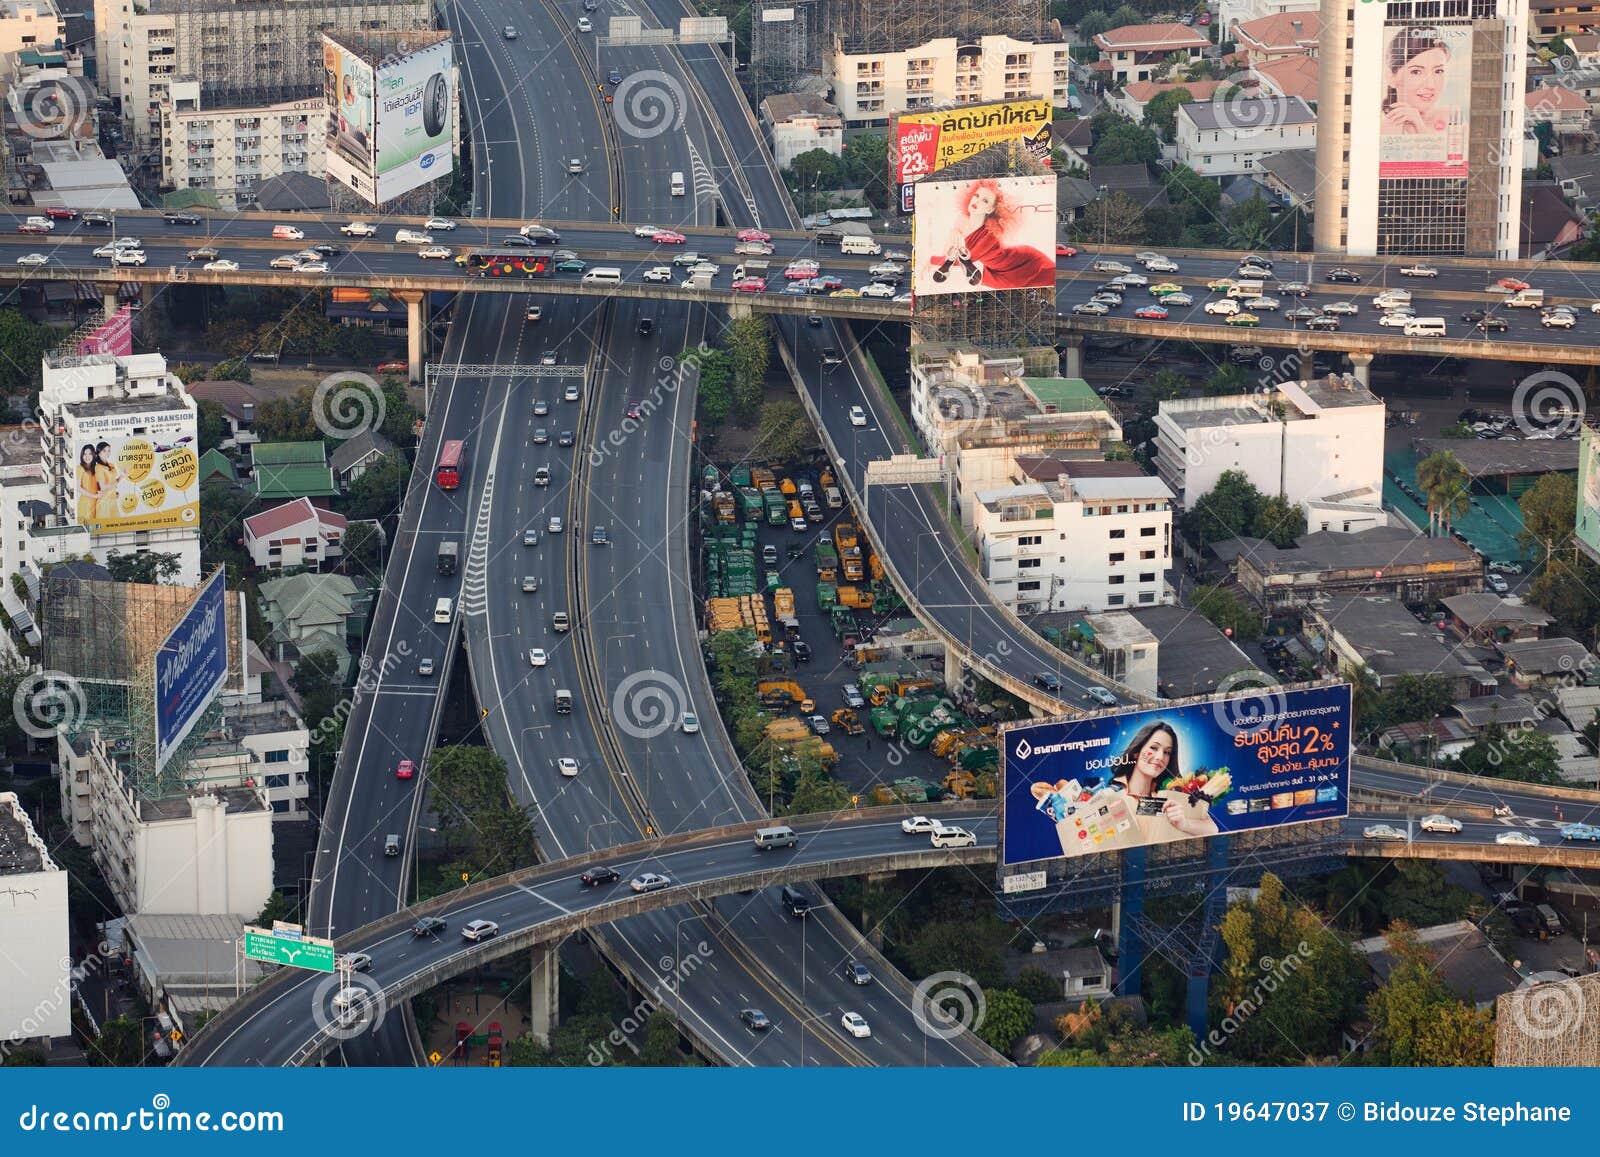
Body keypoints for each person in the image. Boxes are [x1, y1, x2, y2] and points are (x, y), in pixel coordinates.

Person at [928, 178, 1054, 292]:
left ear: (990, 209)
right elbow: (948, 257)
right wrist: (954, 232)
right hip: (995, 268)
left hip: (1023, 262)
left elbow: (955, 261)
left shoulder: (989, 236)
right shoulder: (960, 220)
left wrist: (929, 261)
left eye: (985, 200)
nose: (977, 200)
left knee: (1038, 279)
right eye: (976, 195)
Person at [1383, 27, 1451, 136]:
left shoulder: (1451, 118)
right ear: (1391, 78)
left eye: (1438, 71)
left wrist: (1420, 127)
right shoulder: (1382, 128)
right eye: (1416, 72)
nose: (1431, 85)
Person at [75, 444, 102, 526]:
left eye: (90, 454)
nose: (87, 456)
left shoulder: (97, 468)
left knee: (98, 529)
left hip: (97, 503)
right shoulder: (80, 468)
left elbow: (103, 484)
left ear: (93, 455)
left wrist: (113, 493)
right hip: (85, 504)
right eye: (85, 454)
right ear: (82, 455)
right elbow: (78, 487)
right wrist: (94, 496)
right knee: (86, 529)